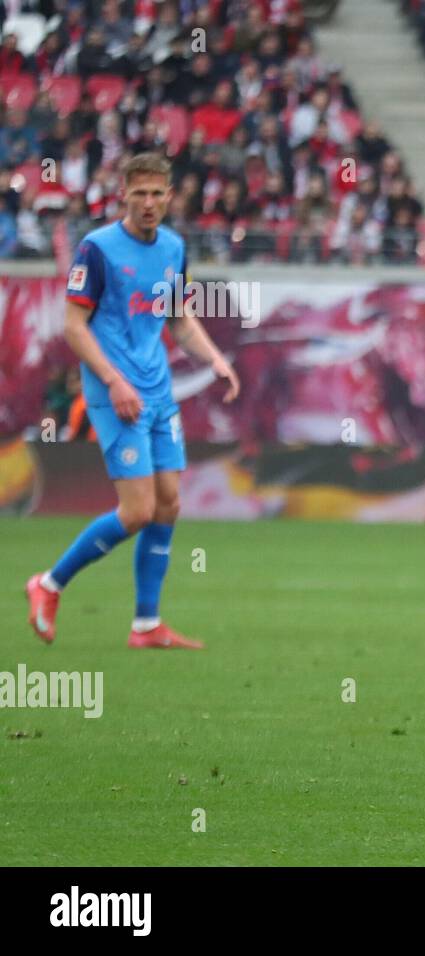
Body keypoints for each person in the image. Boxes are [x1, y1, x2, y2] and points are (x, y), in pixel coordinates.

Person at [26, 153, 240, 649]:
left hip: (159, 393)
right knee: (138, 510)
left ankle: (146, 624)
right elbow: (73, 326)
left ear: (170, 196)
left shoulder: (172, 247)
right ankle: (49, 583)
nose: (148, 203)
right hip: (114, 396)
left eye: (156, 193)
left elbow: (180, 320)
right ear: (123, 194)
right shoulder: (97, 249)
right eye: (138, 193)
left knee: (168, 504)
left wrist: (215, 360)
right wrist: (113, 381)